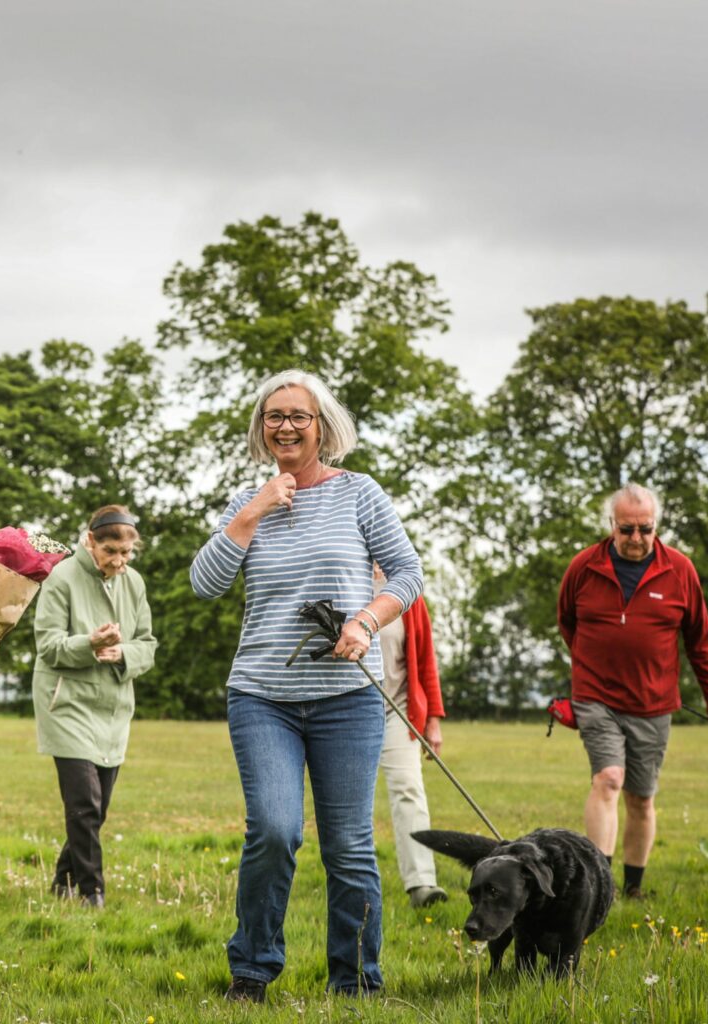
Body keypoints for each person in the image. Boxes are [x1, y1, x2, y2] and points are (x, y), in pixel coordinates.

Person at [190, 369, 423, 1001]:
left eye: (299, 415)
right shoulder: (248, 498)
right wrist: (254, 511)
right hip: (262, 696)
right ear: (261, 429)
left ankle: (356, 981)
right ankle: (253, 970)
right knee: (274, 828)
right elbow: (204, 582)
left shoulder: (360, 494)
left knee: (348, 845)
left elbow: (407, 573)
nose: (287, 426)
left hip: (348, 698)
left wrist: (366, 620)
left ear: (323, 426)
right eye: (275, 416)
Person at [558, 483, 708, 900]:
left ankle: (633, 888)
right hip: (595, 696)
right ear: (611, 526)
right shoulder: (583, 567)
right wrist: (592, 664)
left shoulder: (680, 570)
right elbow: (568, 622)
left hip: (653, 704)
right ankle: (599, 890)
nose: (636, 538)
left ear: (655, 526)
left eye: (645, 529)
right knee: (608, 779)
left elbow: (701, 642)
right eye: (627, 530)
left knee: (641, 798)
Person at [32, 504, 158, 909]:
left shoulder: (134, 582)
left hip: (113, 709)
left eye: (126, 554)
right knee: (84, 803)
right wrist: (91, 643)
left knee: (97, 807)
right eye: (110, 552)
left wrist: (121, 652)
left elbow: (148, 646)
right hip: (66, 704)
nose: (119, 562)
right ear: (90, 542)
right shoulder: (61, 577)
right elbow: (48, 647)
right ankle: (92, 892)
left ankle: (61, 879)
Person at [371, 564, 447, 910]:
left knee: (408, 789)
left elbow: (424, 658)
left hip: (398, 709)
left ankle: (422, 883)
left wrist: (432, 718)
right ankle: (348, 880)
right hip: (348, 708)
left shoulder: (406, 588)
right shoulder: (341, 574)